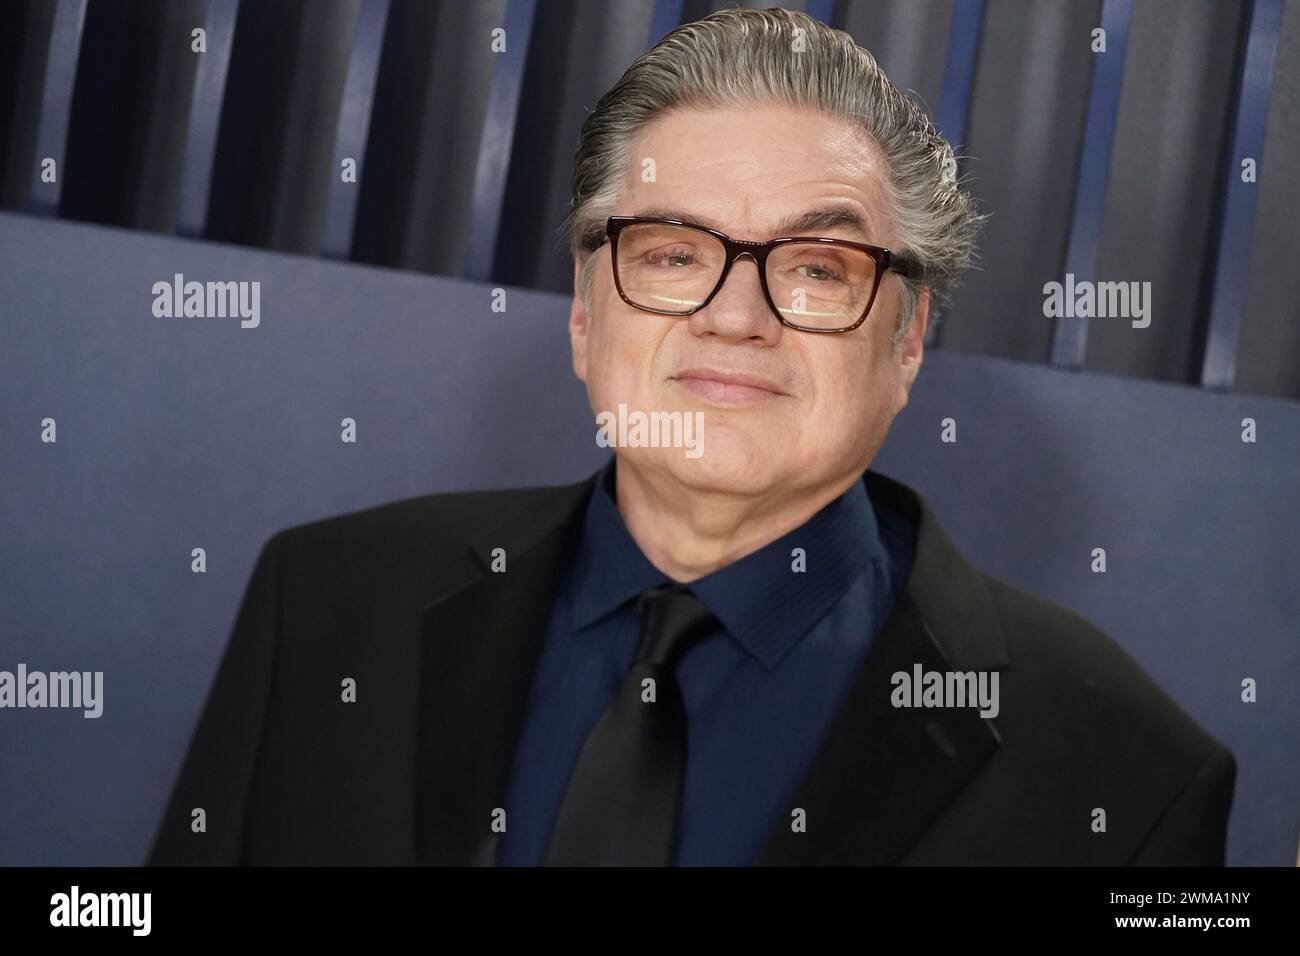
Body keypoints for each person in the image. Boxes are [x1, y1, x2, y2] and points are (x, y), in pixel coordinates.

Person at [148, 7, 1234, 866]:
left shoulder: (1119, 767)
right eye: (672, 252)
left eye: (816, 268)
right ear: (585, 313)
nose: (734, 314)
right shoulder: (330, 598)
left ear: (905, 343)